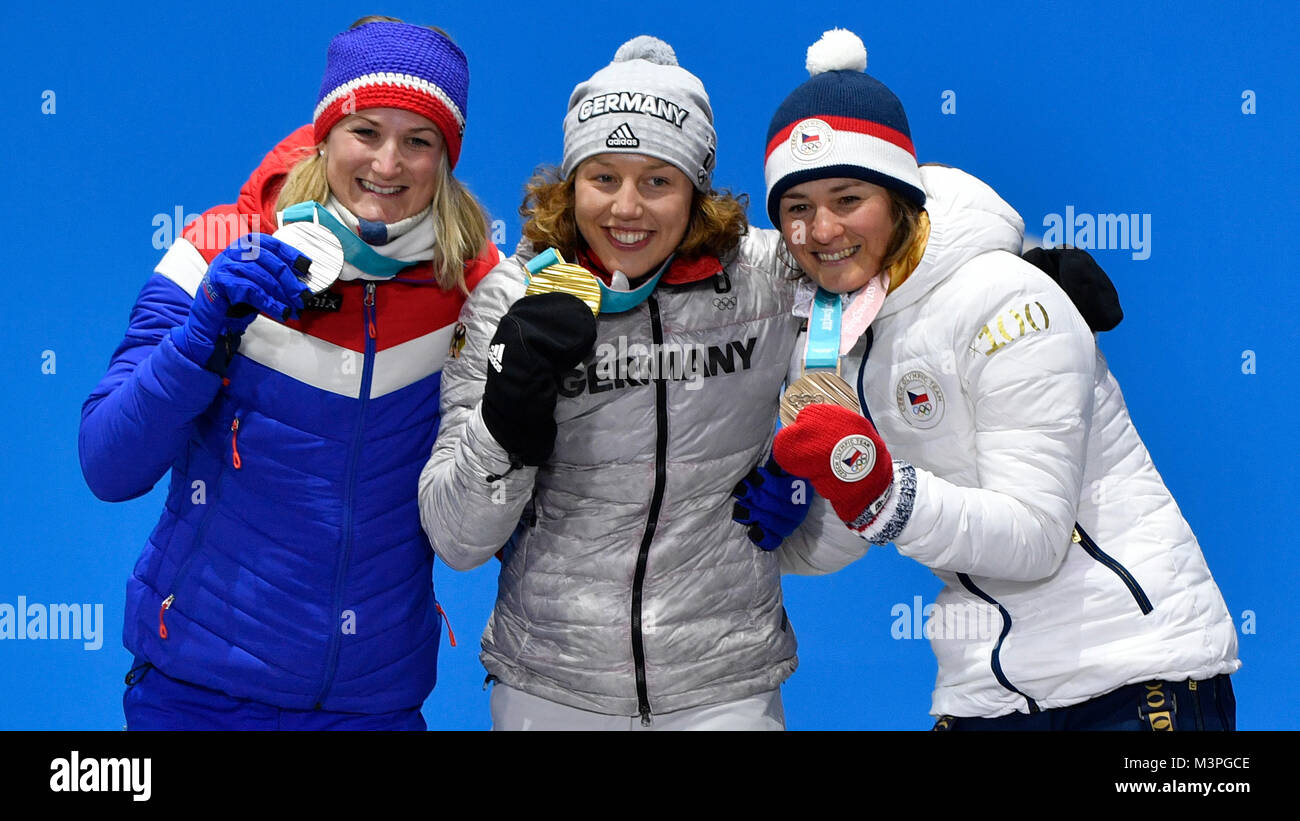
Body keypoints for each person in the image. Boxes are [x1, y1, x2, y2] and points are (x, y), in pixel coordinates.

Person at [766, 29, 1239, 730]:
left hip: (1135, 677)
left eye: (847, 197)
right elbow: (849, 531)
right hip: (986, 691)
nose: (822, 228)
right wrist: (785, 515)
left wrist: (876, 484)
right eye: (797, 207)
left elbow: (1034, 535)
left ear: (899, 198)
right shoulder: (839, 335)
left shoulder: (1008, 299)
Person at [418, 36, 866, 731]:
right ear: (571, 183)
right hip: (552, 683)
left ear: (697, 186)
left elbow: (879, 235)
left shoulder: (765, 279)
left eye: (657, 180)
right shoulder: (515, 298)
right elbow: (455, 537)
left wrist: (1011, 267)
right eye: (604, 178)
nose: (627, 208)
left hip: (725, 684)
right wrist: (503, 421)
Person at [78, 17, 500, 730]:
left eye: (419, 140)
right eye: (366, 131)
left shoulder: (477, 288)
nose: (389, 165)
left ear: (446, 157)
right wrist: (203, 333)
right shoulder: (215, 248)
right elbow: (107, 463)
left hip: (371, 703)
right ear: (326, 134)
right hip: (197, 692)